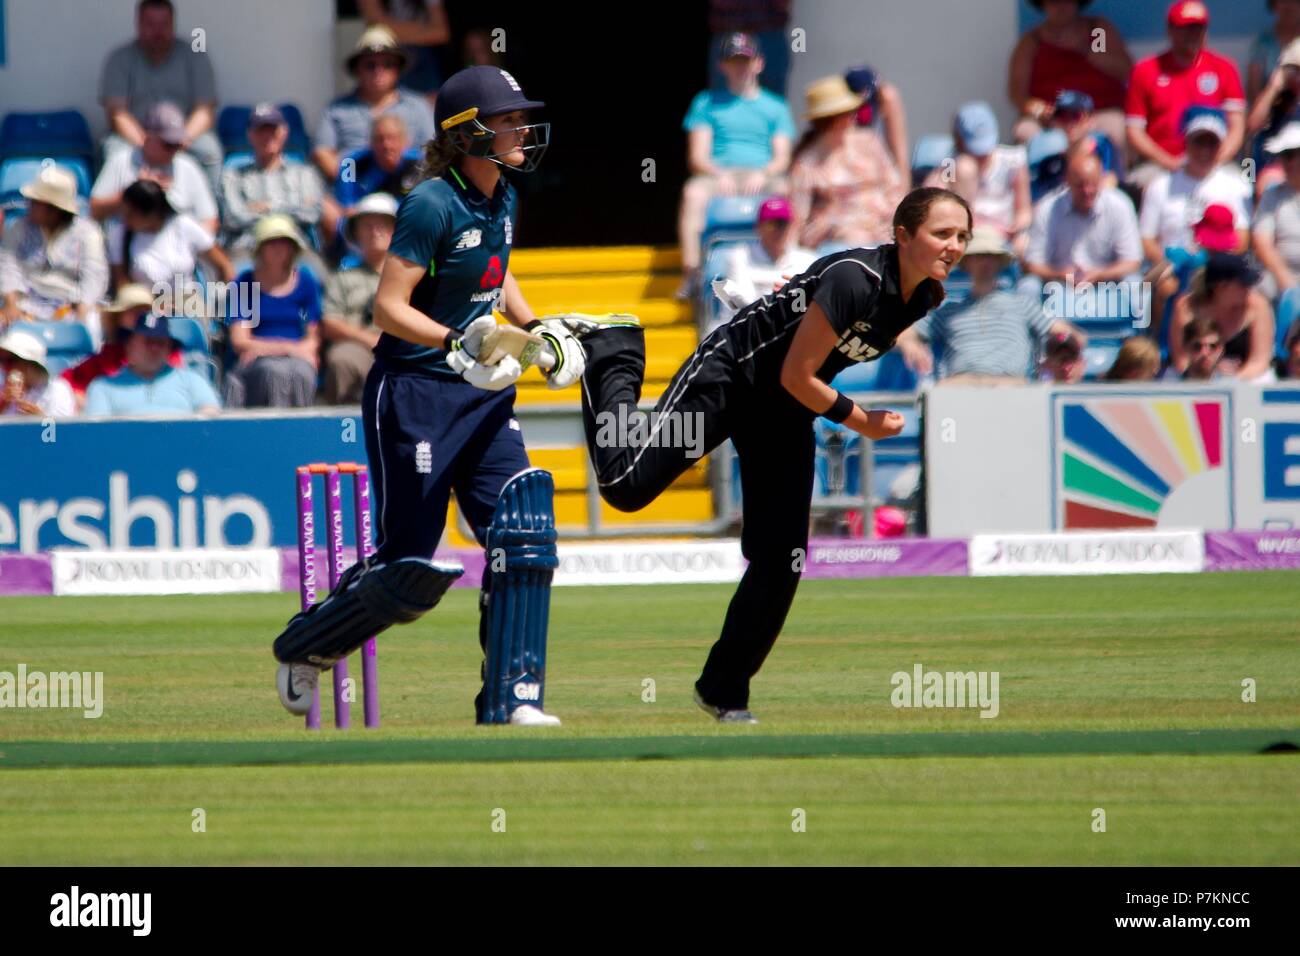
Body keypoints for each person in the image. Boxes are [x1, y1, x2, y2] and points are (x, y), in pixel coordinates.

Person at [571, 187, 971, 722]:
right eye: (942, 233)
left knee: (783, 558)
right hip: (730, 379)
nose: (955, 246)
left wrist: (795, 301)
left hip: (782, 413)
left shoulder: (925, 295)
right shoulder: (857, 278)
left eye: (962, 236)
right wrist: (863, 421)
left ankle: (724, 689)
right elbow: (796, 372)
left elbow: (827, 347)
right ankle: (612, 350)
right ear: (902, 235)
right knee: (625, 487)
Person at [272, 66, 569, 727]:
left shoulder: (503, 198)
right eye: (509, 118)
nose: (522, 127)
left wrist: (539, 329)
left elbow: (498, 273)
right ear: (469, 134)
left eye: (522, 116)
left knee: (522, 535)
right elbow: (387, 307)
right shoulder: (431, 202)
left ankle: (513, 698)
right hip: (416, 393)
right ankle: (305, 644)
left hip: (485, 396)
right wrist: (454, 341)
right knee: (407, 568)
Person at [678, 32, 796, 294]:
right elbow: (697, 157)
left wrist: (764, 174)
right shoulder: (705, 102)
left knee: (788, 191)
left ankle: (791, 266)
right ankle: (692, 272)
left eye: (746, 60)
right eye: (734, 61)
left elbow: (782, 158)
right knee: (693, 193)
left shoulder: (776, 107)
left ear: (759, 63)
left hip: (762, 175)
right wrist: (719, 174)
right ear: (723, 66)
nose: (741, 67)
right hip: (719, 175)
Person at [897, 228, 1082, 384]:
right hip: (961, 385)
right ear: (967, 262)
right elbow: (903, 334)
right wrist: (909, 343)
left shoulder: (1022, 304)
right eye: (978, 256)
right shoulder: (949, 311)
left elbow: (1071, 335)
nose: (985, 262)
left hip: (1009, 385)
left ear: (999, 262)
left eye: (990, 256)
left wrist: (1064, 358)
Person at [99, 0, 222, 191]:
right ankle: (117, 217)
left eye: (164, 24)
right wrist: (147, 145)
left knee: (209, 150)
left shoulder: (195, 56)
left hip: (182, 136)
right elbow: (117, 114)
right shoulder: (120, 59)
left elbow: (205, 110)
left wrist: (181, 141)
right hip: (137, 137)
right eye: (150, 24)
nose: (158, 31)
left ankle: (211, 216)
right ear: (138, 24)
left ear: (173, 24)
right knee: (113, 151)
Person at [1125, 1, 1247, 189]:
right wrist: (1169, 162)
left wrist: (1213, 161)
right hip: (1160, 164)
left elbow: (1236, 127)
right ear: (1170, 30)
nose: (1193, 34)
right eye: (1186, 28)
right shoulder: (1145, 70)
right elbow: (1134, 131)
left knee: (1241, 184)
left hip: (1214, 161)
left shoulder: (1225, 68)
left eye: (1199, 28)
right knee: (1140, 183)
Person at [788, 75, 906, 253]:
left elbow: (894, 189)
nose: (854, 117)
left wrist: (892, 223)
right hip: (840, 241)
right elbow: (798, 222)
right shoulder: (807, 163)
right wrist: (834, 226)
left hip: (884, 227)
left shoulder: (870, 143)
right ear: (830, 119)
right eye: (847, 113)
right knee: (858, 242)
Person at [313, 25, 436, 181]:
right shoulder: (336, 110)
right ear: (357, 69)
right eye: (370, 65)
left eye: (387, 64)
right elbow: (322, 152)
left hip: (407, 190)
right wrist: (351, 185)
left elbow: (432, 153)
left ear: (398, 69)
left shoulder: (418, 106)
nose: (379, 71)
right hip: (355, 194)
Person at [222, 216, 322, 408]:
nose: (278, 248)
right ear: (260, 248)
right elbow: (240, 341)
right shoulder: (244, 283)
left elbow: (313, 339)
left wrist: (283, 350)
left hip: (295, 359)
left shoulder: (307, 281)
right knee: (273, 372)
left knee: (302, 373)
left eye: (284, 242)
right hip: (257, 362)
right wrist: (289, 348)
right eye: (271, 243)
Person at [1008, 0, 1131, 149]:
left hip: (1097, 113)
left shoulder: (1096, 30)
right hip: (1052, 118)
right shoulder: (1032, 42)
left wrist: (1089, 53)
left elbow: (1125, 69)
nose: (1061, 6)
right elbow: (1017, 93)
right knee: (1025, 130)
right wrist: (1040, 110)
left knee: (1115, 127)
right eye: (1054, 2)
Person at [1020, 154, 1142, 302]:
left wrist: (1099, 274)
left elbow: (1132, 262)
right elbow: (1033, 263)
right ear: (1067, 181)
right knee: (1028, 287)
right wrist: (1060, 274)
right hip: (1058, 287)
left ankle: (1132, 326)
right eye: (1080, 185)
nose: (1087, 191)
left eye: (1093, 184)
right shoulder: (1048, 209)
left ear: (1101, 180)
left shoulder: (1119, 205)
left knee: (1135, 284)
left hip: (1108, 285)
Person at [1, 165, 109, 329]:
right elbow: (8, 266)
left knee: (94, 323)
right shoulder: (18, 227)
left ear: (54, 209)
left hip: (69, 305)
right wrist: (11, 303)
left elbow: (94, 277)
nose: (29, 204)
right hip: (26, 302)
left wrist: (82, 311)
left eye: (36, 202)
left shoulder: (87, 233)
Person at [219, 103, 327, 262]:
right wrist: (293, 206)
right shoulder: (232, 176)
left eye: (273, 130)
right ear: (250, 134)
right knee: (236, 282)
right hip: (248, 247)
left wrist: (268, 206)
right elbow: (233, 218)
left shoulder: (304, 173)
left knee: (320, 277)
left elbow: (312, 213)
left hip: (295, 245)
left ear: (284, 132)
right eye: (261, 131)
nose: (267, 136)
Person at [91, 101, 219, 234]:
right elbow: (95, 211)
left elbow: (210, 220)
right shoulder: (121, 161)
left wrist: (192, 244)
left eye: (178, 144)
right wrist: (136, 192)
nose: (175, 151)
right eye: (168, 144)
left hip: (177, 248)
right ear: (148, 137)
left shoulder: (188, 166)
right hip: (130, 247)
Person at [1139, 110, 1250, 262]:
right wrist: (1168, 266)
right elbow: (1147, 239)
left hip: (1217, 268)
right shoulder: (1160, 186)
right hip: (1170, 266)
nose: (1205, 150)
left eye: (1212, 143)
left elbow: (1241, 239)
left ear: (1221, 146)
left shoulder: (1237, 185)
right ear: (1186, 142)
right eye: (1199, 142)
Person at [320, 193, 397, 403]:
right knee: (341, 359)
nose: (375, 231)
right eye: (367, 225)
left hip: (402, 346)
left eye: (382, 224)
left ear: (396, 231)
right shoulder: (342, 278)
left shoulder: (413, 275)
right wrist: (371, 339)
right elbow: (330, 323)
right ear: (356, 233)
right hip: (357, 346)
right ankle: (338, 428)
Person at [62, 284, 182, 408]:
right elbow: (67, 383)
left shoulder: (167, 352)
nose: (139, 317)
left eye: (145, 311)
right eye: (133, 311)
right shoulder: (107, 358)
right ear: (118, 318)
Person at [939, 102, 1032, 256]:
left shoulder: (1014, 159)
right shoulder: (951, 163)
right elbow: (937, 195)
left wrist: (1018, 228)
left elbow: (1024, 211)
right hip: (969, 235)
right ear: (959, 140)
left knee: (1023, 244)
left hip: (1005, 236)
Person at [108, 180, 234, 292]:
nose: (125, 219)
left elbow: (224, 265)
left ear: (152, 213)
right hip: (143, 309)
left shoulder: (183, 225)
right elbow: (122, 284)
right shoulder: (119, 233)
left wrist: (224, 305)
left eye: (130, 214)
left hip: (187, 306)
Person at [84, 312, 219, 415]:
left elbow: (211, 423)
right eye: (148, 341)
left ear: (169, 348)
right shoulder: (104, 387)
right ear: (129, 345)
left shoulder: (192, 382)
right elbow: (98, 436)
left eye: (160, 343)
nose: (154, 348)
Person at [1168, 254, 1277, 381]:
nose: (1249, 289)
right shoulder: (1186, 307)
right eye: (1243, 284)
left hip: (1245, 378)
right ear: (1221, 286)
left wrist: (1230, 383)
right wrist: (1208, 377)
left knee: (1265, 379)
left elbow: (1259, 361)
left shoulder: (1258, 306)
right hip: (1195, 376)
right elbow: (1181, 359)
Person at [713, 195, 815, 330]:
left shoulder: (808, 260)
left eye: (783, 224)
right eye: (771, 224)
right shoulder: (739, 257)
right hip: (742, 331)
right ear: (758, 227)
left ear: (792, 226)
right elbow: (745, 306)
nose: (778, 231)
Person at [357, 0, 451, 103]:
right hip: (384, 50)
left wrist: (389, 28)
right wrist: (423, 30)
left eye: (388, 65)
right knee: (384, 102)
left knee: (431, 105)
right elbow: (375, 23)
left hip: (421, 57)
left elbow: (440, 32)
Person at [333, 115, 422, 212]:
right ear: (370, 143)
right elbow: (347, 207)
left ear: (405, 142)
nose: (386, 145)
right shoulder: (351, 164)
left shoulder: (419, 165)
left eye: (392, 138)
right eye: (380, 139)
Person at [1247, 39, 1300, 200]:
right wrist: (1273, 87)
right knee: (1248, 162)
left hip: (1288, 177)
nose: (1296, 77)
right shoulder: (1276, 105)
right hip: (1264, 179)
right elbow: (1252, 127)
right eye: (1293, 70)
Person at [1253, 121, 1300, 300]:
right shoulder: (1272, 195)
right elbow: (1262, 243)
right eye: (1284, 155)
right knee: (1261, 290)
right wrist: (1283, 276)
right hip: (1280, 274)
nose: (1286, 162)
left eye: (1290, 155)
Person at [844, 65, 910, 184]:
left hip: (879, 167)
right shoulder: (843, 109)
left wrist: (904, 188)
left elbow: (900, 152)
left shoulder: (886, 95)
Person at [1048, 90, 1122, 185]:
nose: (1070, 123)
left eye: (1076, 116)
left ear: (1091, 120)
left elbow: (1112, 181)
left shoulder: (1104, 148)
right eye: (1062, 116)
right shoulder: (1053, 161)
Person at [0, 327, 77, 417]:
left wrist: (40, 419)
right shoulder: (4, 389)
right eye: (1, 360)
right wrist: (4, 405)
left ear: (31, 364)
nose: (4, 367)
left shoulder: (58, 390)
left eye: (10, 361)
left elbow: (65, 429)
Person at [1247, 0, 1300, 103]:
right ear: (1274, 4)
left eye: (1296, 1)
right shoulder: (1262, 43)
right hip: (1271, 114)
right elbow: (1254, 93)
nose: (1289, 6)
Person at [1174, 314, 1225, 381]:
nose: (1205, 353)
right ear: (1185, 348)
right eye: (1197, 346)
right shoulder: (1167, 385)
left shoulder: (1232, 387)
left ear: (1221, 349)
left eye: (1213, 346)